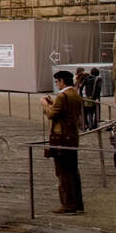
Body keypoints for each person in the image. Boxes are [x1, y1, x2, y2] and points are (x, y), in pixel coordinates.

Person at [41, 70, 84, 214]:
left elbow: (52, 114)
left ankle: (68, 204)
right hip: (72, 137)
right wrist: (53, 103)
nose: (56, 84)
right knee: (73, 171)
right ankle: (77, 203)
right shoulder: (75, 94)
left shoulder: (62, 95)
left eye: (57, 82)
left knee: (63, 173)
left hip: (61, 138)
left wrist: (45, 105)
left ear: (61, 81)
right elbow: (66, 112)